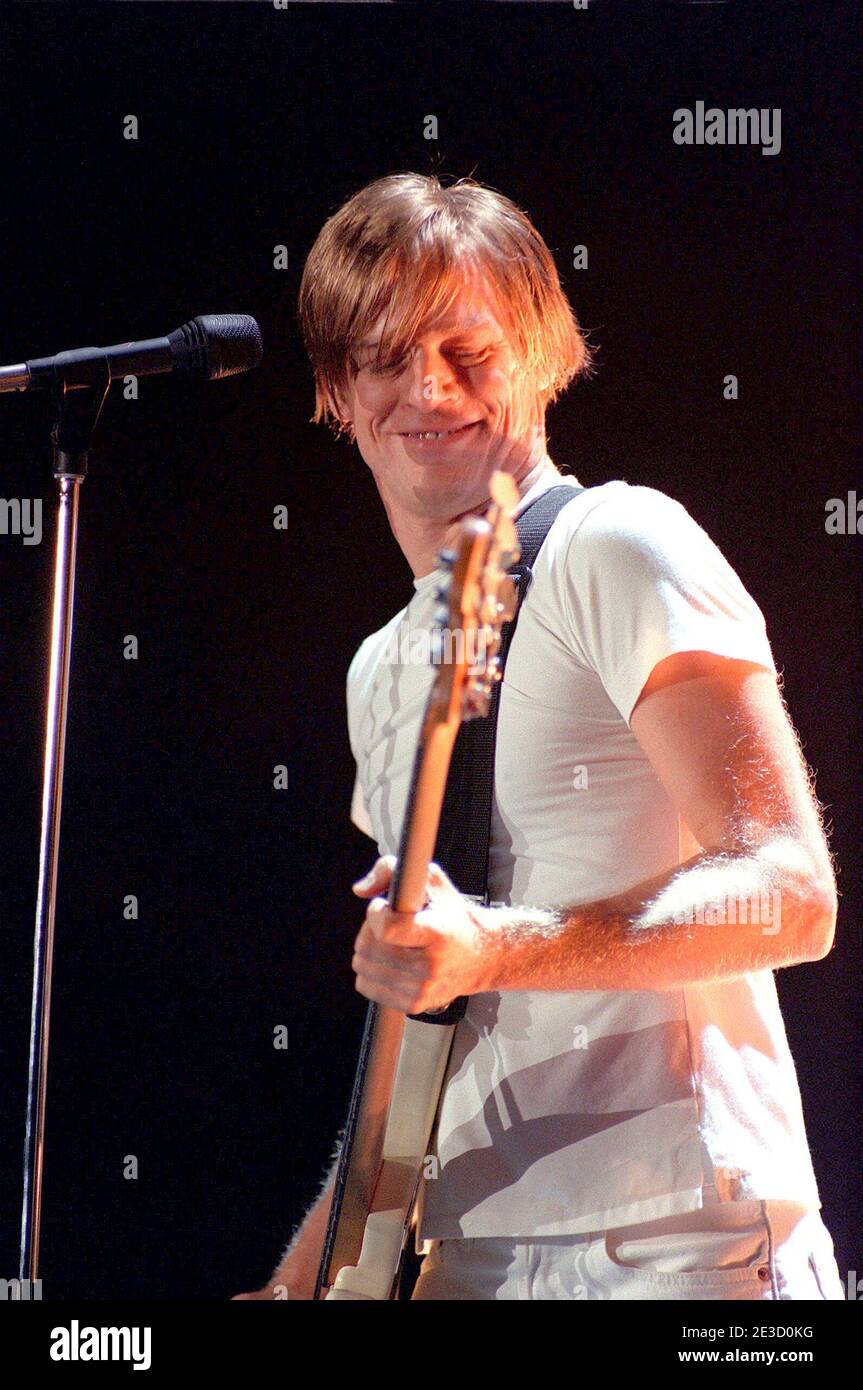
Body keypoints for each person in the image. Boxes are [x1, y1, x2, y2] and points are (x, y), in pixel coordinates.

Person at [234, 172, 844, 1301]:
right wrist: (303, 1275)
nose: (428, 387)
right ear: (333, 390)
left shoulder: (617, 543)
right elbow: (420, 1012)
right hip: (466, 1251)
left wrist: (500, 949)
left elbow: (792, 890)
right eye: (382, 354)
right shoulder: (379, 668)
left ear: (542, 355)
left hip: (679, 1240)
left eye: (467, 350)